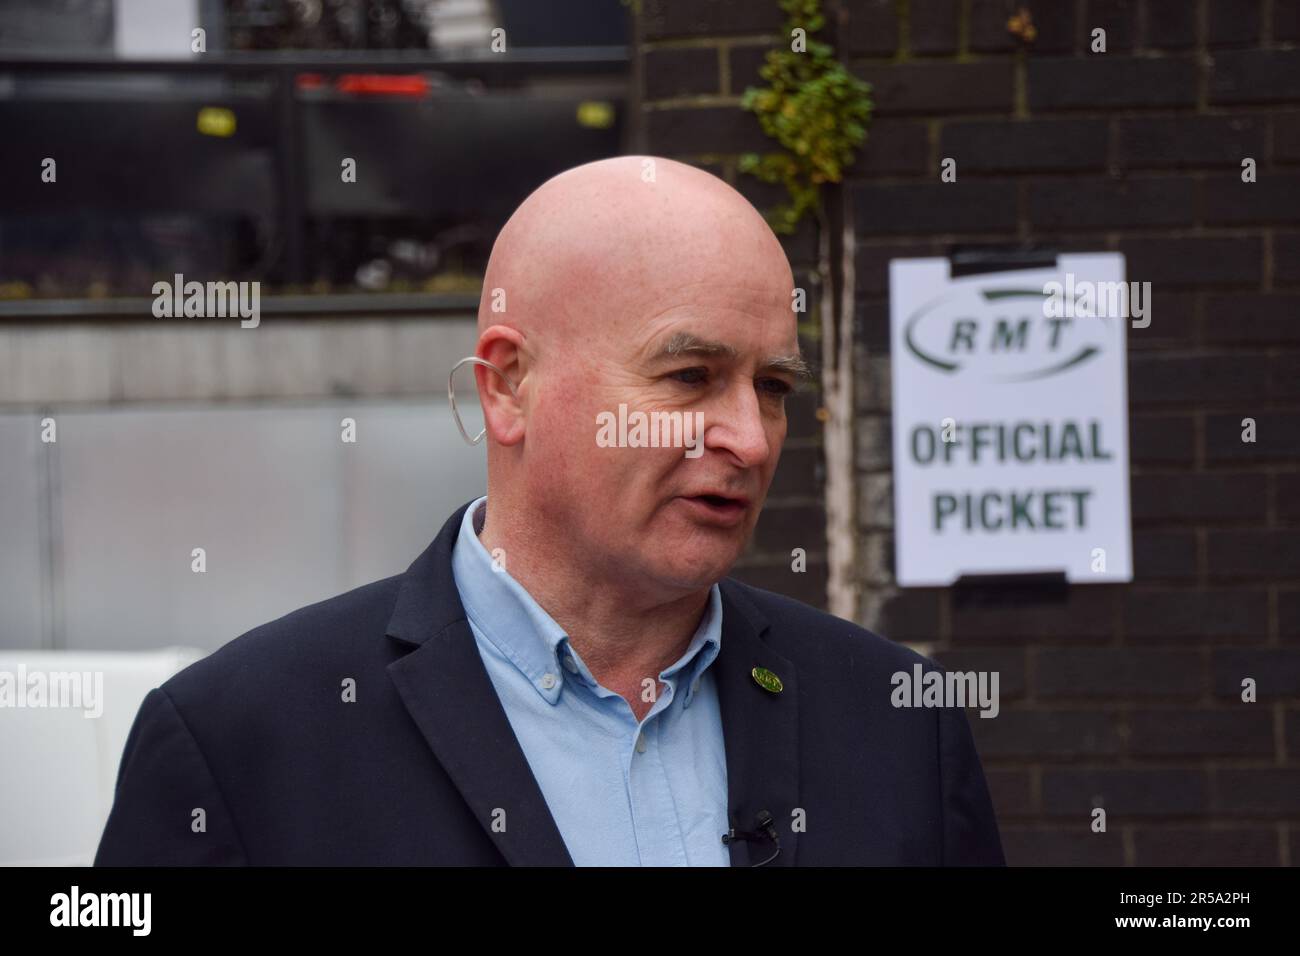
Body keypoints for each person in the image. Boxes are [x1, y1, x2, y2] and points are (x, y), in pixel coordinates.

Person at [95, 156, 1004, 866]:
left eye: (771, 387)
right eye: (690, 376)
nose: (752, 440)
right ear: (509, 386)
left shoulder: (896, 721)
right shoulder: (242, 742)